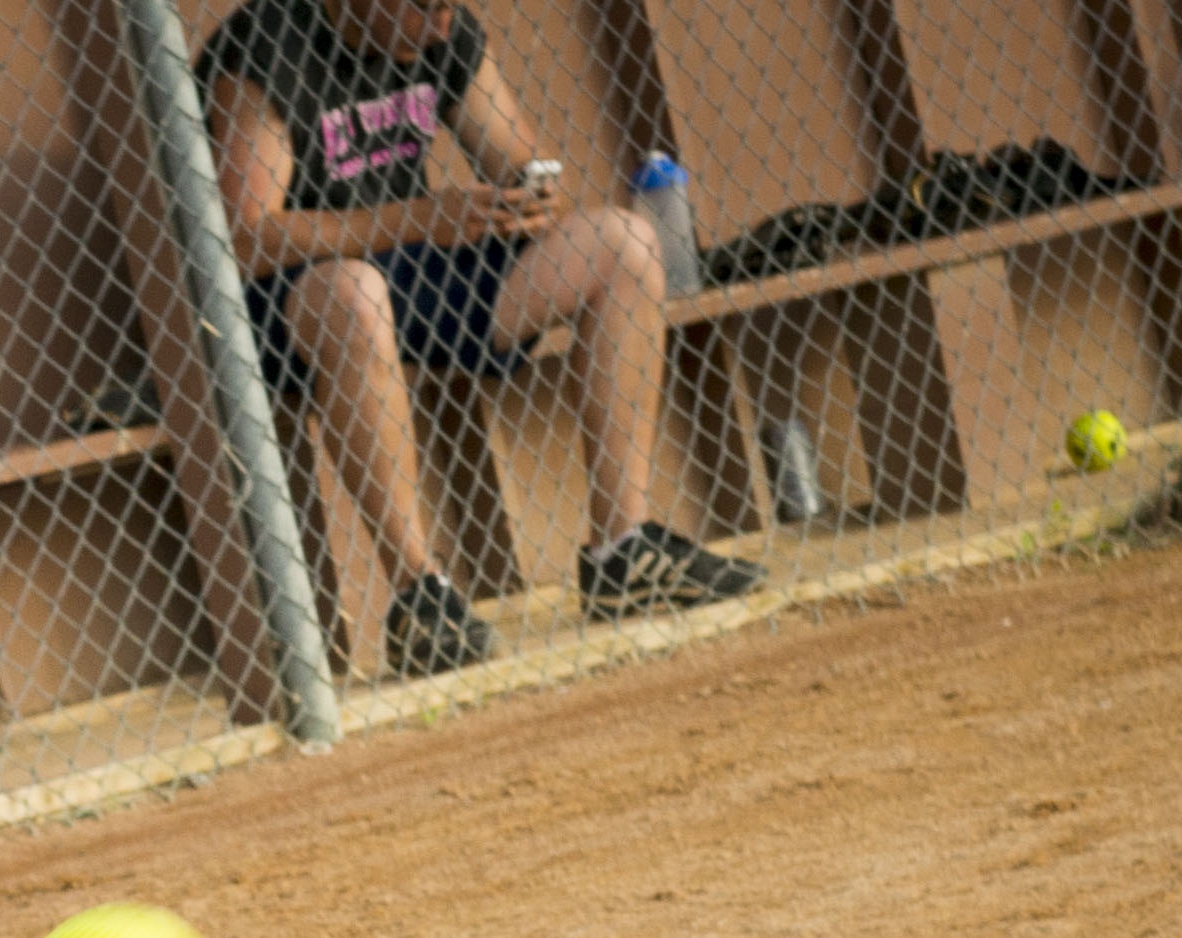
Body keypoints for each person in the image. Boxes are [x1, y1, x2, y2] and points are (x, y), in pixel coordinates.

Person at [198, 0, 764, 678]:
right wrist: (416, 219)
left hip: (414, 260)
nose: (441, 26)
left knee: (625, 243)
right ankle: (421, 593)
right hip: (296, 298)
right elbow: (248, 236)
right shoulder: (265, 45)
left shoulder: (443, 31)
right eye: (423, 9)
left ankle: (624, 548)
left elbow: (516, 157)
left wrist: (528, 198)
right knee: (355, 293)